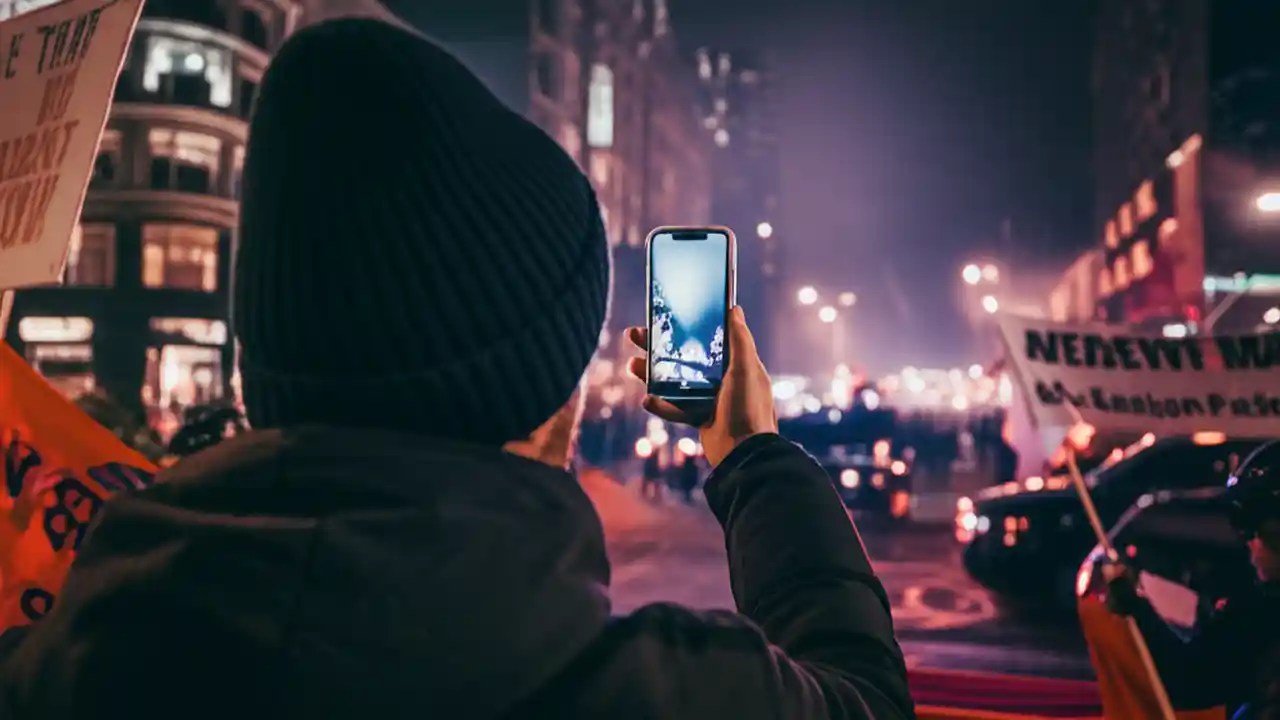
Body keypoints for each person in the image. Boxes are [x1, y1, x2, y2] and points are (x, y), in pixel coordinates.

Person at [0, 18, 913, 720]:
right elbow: (864, 695)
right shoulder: (651, 690)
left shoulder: (60, 658)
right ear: (545, 393)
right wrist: (753, 454)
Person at [1105, 439, 1280, 720]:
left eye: (1252, 529)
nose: (1249, 544)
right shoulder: (1256, 607)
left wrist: (1137, 612)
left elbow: (1193, 678)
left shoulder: (1259, 612)